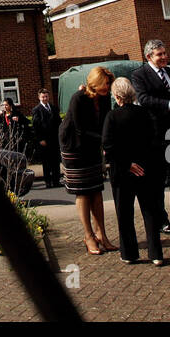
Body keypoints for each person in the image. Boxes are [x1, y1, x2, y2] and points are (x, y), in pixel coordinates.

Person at [130, 39, 170, 235]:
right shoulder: (139, 75)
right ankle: (162, 221)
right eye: (160, 54)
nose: (165, 57)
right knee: (157, 181)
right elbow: (144, 99)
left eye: (165, 53)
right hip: (156, 136)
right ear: (149, 57)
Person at [102, 77, 165, 265]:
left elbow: (108, 145)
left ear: (116, 96)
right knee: (150, 212)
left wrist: (127, 164)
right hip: (145, 169)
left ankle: (129, 253)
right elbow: (154, 140)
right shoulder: (145, 113)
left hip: (122, 172)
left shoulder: (112, 116)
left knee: (124, 213)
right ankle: (156, 254)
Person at [59, 67, 115, 255]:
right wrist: (105, 139)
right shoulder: (78, 98)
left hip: (93, 146)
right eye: (104, 83)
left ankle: (102, 235)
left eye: (108, 83)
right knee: (82, 192)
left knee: (97, 190)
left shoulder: (105, 98)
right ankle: (88, 236)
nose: (107, 87)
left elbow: (106, 122)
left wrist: (108, 138)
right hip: (74, 147)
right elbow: (80, 129)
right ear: (95, 83)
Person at [30, 88, 61, 188]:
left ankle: (56, 181)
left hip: (54, 139)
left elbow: (58, 122)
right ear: (39, 97)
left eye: (46, 96)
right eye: (43, 97)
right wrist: (40, 139)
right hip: (44, 140)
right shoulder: (36, 110)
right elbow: (36, 126)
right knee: (46, 162)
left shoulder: (54, 108)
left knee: (55, 161)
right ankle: (48, 182)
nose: (45, 98)